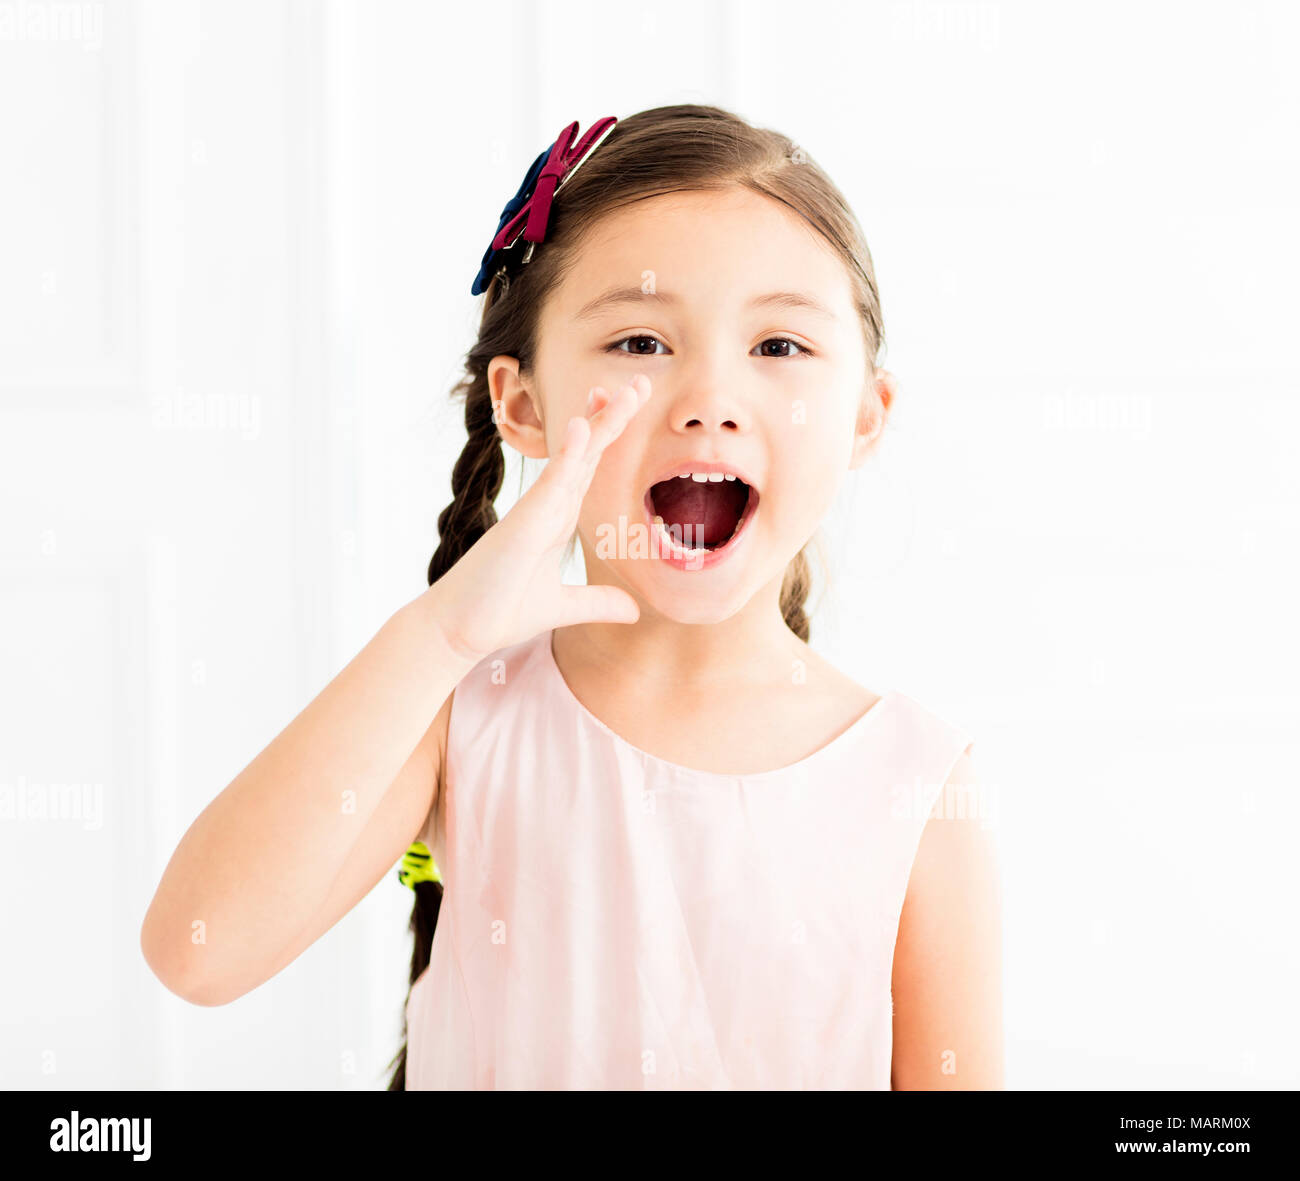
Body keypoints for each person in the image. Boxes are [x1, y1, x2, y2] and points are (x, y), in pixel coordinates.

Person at [141, 103, 1003, 1091]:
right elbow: (197, 949)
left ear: (864, 414)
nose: (708, 397)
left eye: (777, 346)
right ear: (521, 403)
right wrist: (441, 634)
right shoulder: (461, 710)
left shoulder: (916, 780)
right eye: (639, 341)